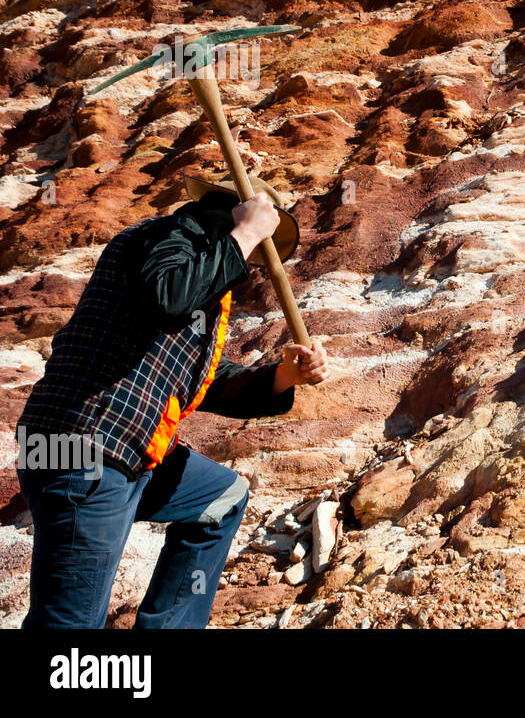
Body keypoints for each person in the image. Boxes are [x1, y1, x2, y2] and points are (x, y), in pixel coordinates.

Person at [15, 174, 329, 628]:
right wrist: (244, 234)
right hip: (82, 448)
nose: (254, 262)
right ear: (233, 215)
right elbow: (167, 297)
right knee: (70, 624)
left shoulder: (201, 286)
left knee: (221, 497)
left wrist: (284, 377)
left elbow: (205, 381)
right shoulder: (164, 238)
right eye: (260, 243)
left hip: (129, 454)